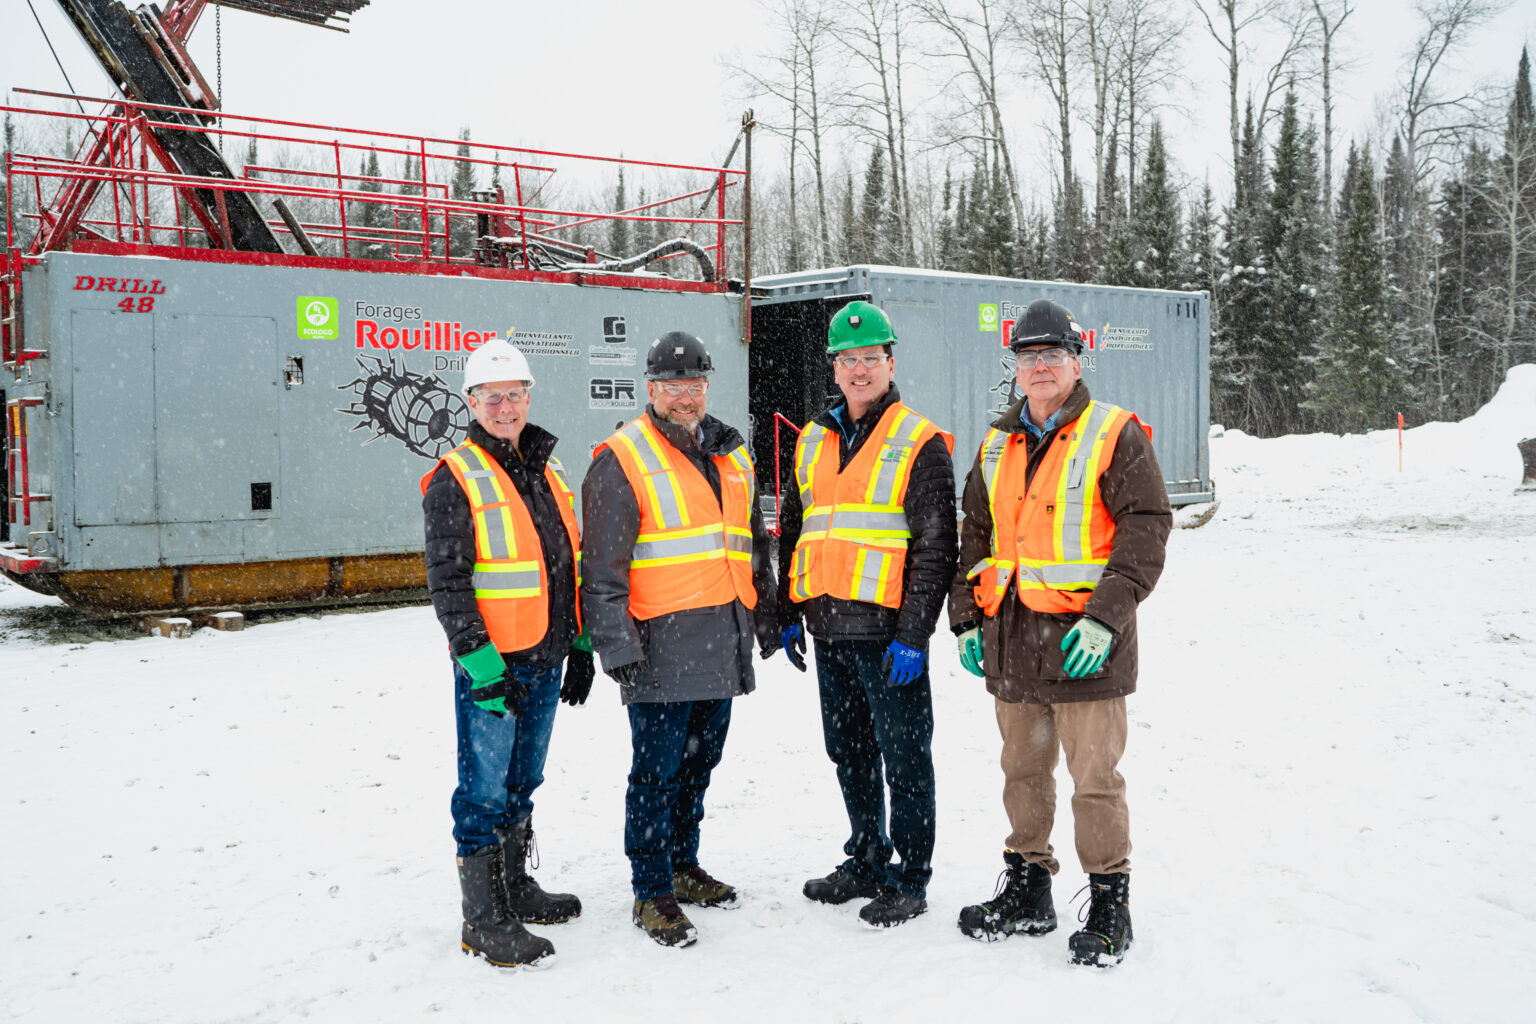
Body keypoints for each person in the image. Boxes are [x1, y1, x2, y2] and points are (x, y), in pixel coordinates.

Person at [947, 298, 1170, 968]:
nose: (1039, 366)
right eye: (1028, 356)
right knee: (1022, 771)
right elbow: (974, 535)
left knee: (1094, 779)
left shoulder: (1114, 434)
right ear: (1015, 367)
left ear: (1077, 362)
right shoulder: (996, 442)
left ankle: (1108, 902)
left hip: (1085, 646)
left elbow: (1146, 527)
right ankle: (1028, 888)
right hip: (1012, 641)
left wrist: (1105, 617)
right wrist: (966, 618)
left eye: (1053, 355)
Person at [580, 331, 778, 949]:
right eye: (672, 385)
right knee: (656, 775)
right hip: (658, 650)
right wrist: (616, 648)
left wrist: (766, 614)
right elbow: (601, 569)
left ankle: (683, 865)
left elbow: (750, 544)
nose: (685, 396)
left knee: (699, 765)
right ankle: (651, 889)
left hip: (721, 640)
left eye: (694, 384)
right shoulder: (623, 458)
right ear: (651, 388)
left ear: (706, 386)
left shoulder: (729, 451)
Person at [773, 300, 958, 928]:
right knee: (848, 753)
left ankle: (911, 876)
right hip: (828, 627)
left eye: (871, 358)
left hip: (887, 636)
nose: (859, 370)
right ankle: (868, 857)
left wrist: (914, 635)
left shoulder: (919, 441)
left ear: (890, 363)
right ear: (833, 368)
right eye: (848, 359)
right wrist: (789, 608)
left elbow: (936, 547)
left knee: (905, 759)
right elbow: (794, 529)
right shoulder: (813, 438)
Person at [421, 338, 595, 969]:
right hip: (493, 667)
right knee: (482, 792)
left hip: (546, 655)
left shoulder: (549, 470)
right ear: (471, 403)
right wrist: (484, 668)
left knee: (523, 781)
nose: (504, 407)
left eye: (514, 395)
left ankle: (514, 886)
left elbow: (567, 564)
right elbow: (449, 584)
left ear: (528, 397)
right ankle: (483, 919)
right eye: (491, 397)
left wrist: (579, 642)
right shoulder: (456, 477)